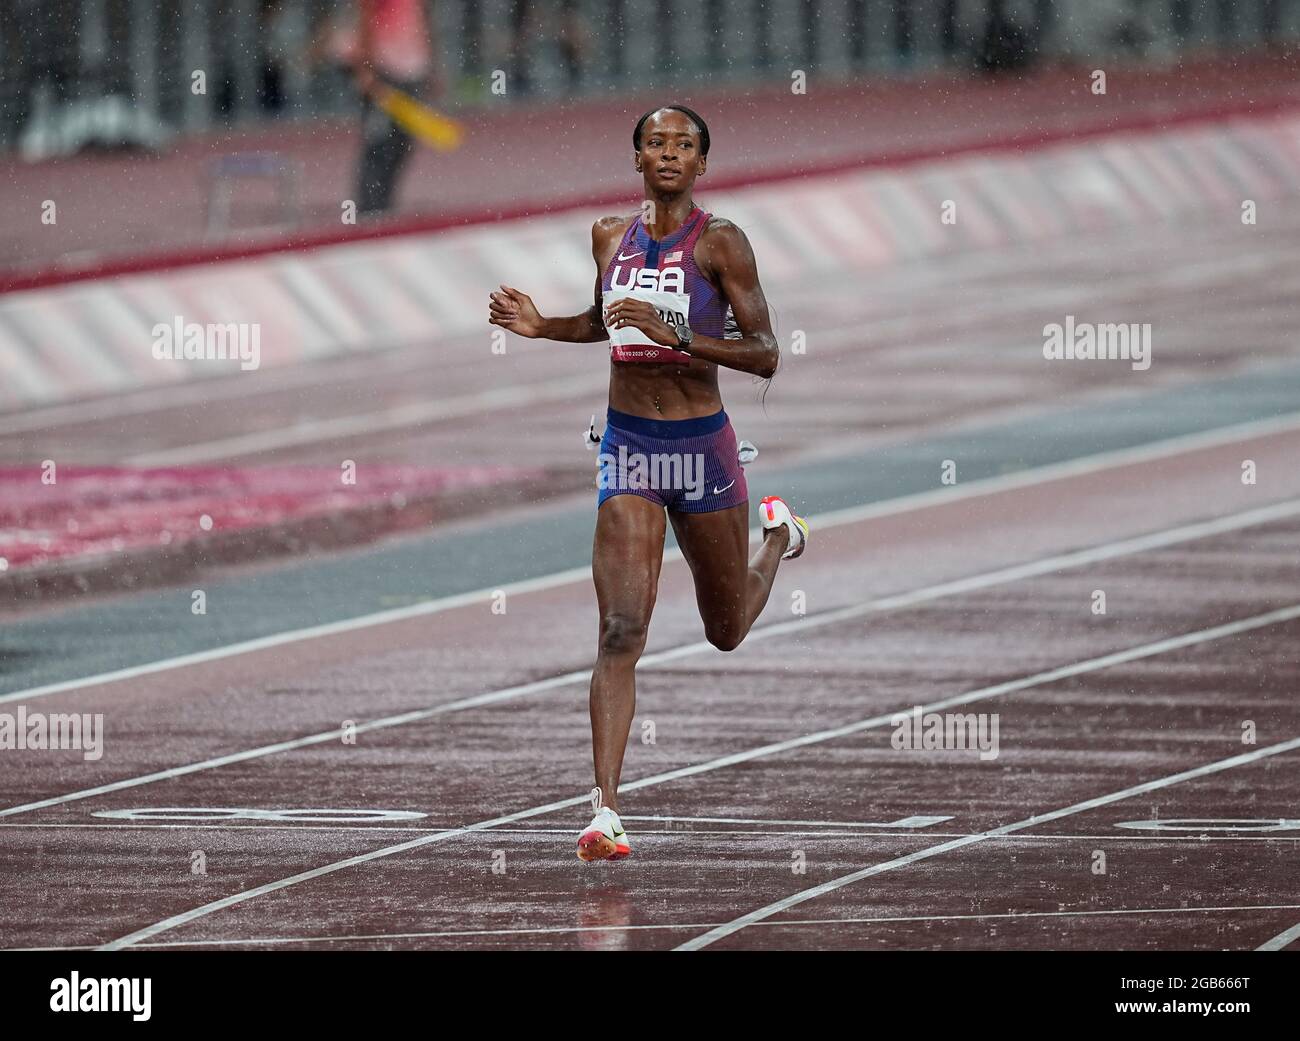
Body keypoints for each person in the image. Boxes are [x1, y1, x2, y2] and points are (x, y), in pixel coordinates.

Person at [488, 105, 809, 862]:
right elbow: (609, 322)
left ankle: (779, 537)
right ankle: (606, 811)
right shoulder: (609, 236)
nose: (670, 153)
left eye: (686, 145)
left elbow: (765, 353)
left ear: (702, 165)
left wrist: (683, 338)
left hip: (702, 449)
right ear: (636, 158)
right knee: (620, 629)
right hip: (631, 446)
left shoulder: (722, 243)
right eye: (657, 143)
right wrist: (543, 326)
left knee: (724, 630)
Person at [313, 0, 439, 215]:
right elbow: (366, 18)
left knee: (401, 143)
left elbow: (422, 20)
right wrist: (366, 68)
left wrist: (430, 66)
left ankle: (383, 206)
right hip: (385, 70)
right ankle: (369, 210)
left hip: (410, 69)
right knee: (379, 144)